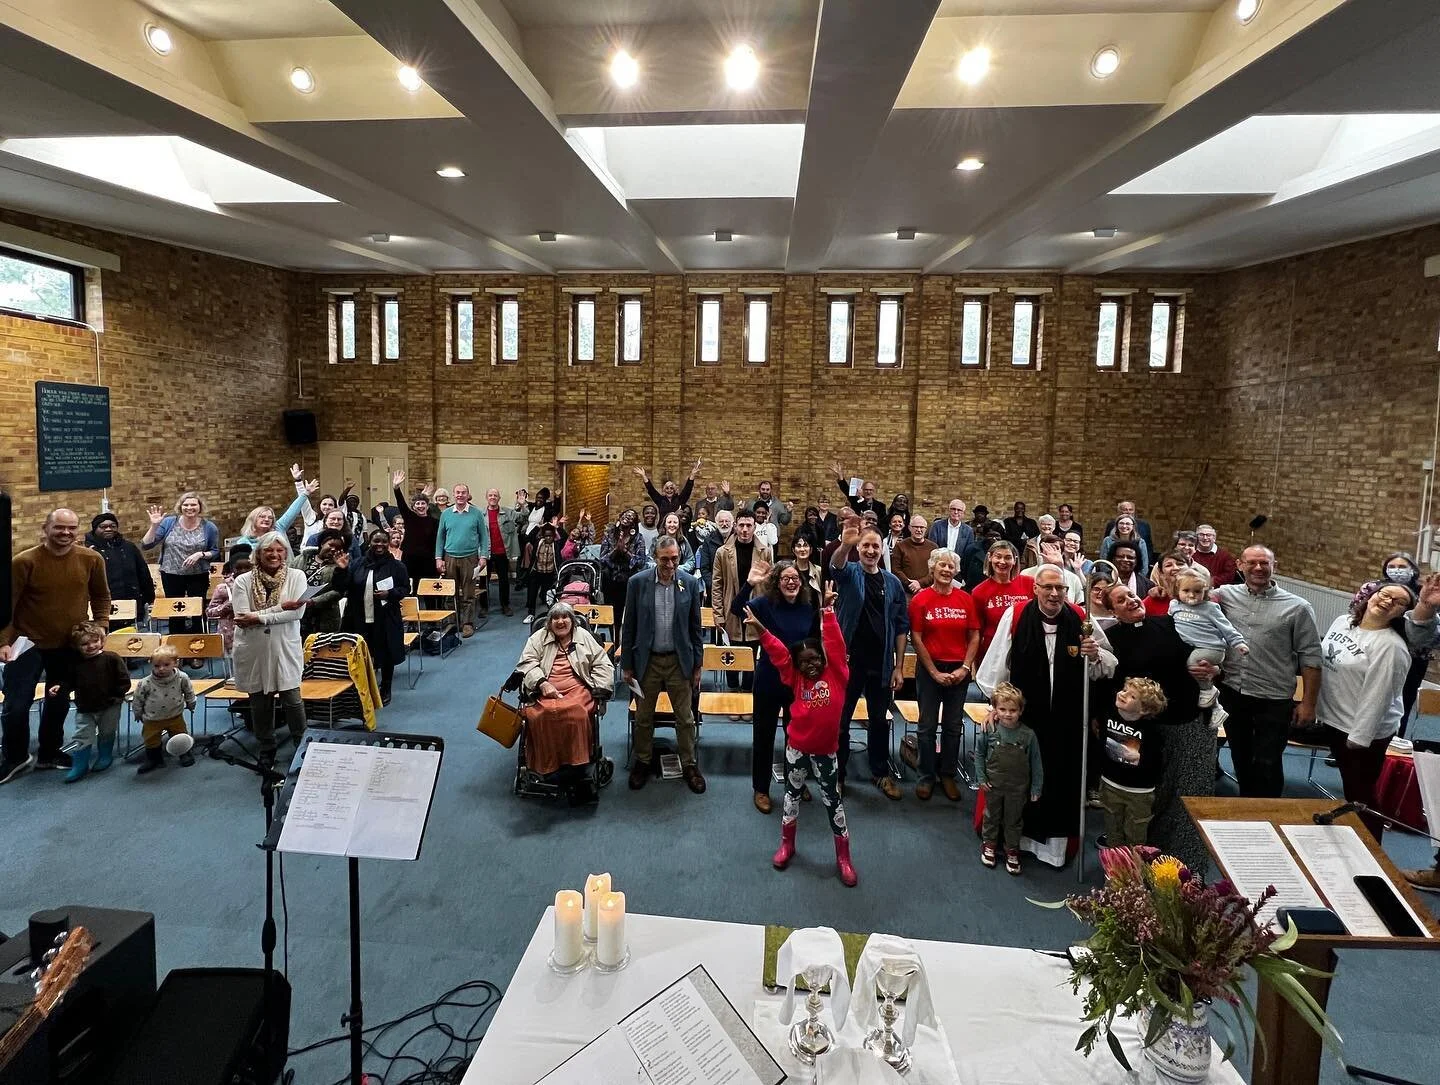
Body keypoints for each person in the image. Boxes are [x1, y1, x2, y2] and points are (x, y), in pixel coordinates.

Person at [977, 566, 1116, 866]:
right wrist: (995, 705)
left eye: (1060, 589)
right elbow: (998, 664)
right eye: (1048, 587)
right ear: (1035, 588)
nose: (1054, 594)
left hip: (1066, 721)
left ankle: (1053, 851)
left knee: (1058, 781)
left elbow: (1108, 663)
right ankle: (1015, 842)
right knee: (1020, 780)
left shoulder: (1080, 618)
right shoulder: (1015, 616)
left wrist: (1095, 653)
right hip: (1026, 719)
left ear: (1067, 592)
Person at [1102, 583, 1212, 875]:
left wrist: (1211, 669)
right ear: (1112, 611)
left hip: (1183, 720)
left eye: (1131, 594)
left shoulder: (1170, 624)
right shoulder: (1110, 639)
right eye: (1121, 600)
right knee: (1141, 797)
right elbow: (1106, 683)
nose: (1131, 600)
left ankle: (1182, 865)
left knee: (1184, 792)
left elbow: (1205, 652)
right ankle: (1135, 864)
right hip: (1136, 729)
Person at [752, 596, 858, 886]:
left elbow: (836, 646)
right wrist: (762, 631)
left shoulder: (837, 674)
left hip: (826, 754)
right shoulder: (795, 678)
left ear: (824, 660)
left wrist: (828, 613)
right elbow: (779, 654)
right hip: (796, 751)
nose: (811, 665)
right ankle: (787, 844)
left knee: (833, 802)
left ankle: (843, 856)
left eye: (815, 659)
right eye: (804, 662)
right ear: (797, 667)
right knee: (791, 798)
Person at [0, 509, 110, 783]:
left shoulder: (91, 559)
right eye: (59, 528)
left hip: (68, 645)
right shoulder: (23, 562)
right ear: (45, 528)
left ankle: (49, 753)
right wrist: (3, 641)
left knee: (57, 701)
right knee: (16, 704)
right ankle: (16, 757)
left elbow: (101, 596)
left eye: (71, 528)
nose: (66, 533)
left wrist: (101, 625)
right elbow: (6, 606)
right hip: (27, 644)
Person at [1213, 546, 1322, 798]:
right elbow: (1191, 592)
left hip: (1273, 698)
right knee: (1240, 755)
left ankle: (1267, 814)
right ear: (1240, 565)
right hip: (1233, 693)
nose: (1258, 568)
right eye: (1252, 563)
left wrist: (1309, 704)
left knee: (1267, 762)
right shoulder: (1225, 595)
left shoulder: (1298, 607)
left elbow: (1311, 658)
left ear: (1275, 566)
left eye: (1265, 563)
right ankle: (1246, 808)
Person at [1314, 580, 1416, 840]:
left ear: (1403, 613)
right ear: (1372, 594)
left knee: (1361, 795)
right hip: (1334, 719)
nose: (1387, 601)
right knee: (1352, 788)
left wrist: (1359, 738)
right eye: (1385, 594)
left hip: (1361, 732)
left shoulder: (1391, 646)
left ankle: (1371, 848)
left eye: (1398, 601)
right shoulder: (1343, 621)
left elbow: (1379, 697)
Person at [830, 522, 910, 798]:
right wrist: (845, 544)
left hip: (881, 663)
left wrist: (899, 666)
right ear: (859, 548)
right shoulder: (850, 573)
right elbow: (835, 567)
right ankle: (838, 775)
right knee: (842, 720)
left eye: (876, 546)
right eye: (866, 545)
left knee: (879, 719)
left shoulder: (893, 583)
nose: (871, 550)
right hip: (849, 662)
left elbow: (901, 627)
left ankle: (880, 772)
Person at [621, 537, 706, 794]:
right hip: (647, 662)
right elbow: (630, 626)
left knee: (685, 718)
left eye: (675, 558)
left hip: (679, 661)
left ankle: (689, 764)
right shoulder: (637, 583)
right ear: (654, 557)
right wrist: (626, 665)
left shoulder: (689, 583)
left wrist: (698, 665)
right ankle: (643, 761)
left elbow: (695, 628)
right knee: (644, 717)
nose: (670, 564)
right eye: (664, 559)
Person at [736, 559, 820, 811]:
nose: (791, 582)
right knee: (764, 735)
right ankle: (761, 789)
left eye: (795, 578)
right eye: (785, 578)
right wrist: (748, 585)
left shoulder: (809, 606)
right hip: (769, 680)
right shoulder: (764, 604)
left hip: (799, 682)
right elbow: (735, 609)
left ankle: (796, 782)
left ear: (801, 582)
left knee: (797, 737)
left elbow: (816, 642)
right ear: (777, 582)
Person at [515, 602, 614, 797]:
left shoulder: (584, 637)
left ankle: (577, 764)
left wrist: (600, 687)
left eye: (565, 617)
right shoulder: (538, 638)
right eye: (556, 618)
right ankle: (547, 765)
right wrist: (542, 683)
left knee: (576, 713)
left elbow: (603, 663)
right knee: (540, 715)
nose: (561, 621)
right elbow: (526, 664)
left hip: (578, 687)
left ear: (573, 621)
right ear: (550, 623)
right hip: (545, 689)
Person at [232, 532, 311, 761]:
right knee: (259, 702)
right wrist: (279, 608)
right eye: (269, 550)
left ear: (286, 553)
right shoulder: (243, 581)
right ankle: (267, 747)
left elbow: (296, 612)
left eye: (279, 550)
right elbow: (241, 616)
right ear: (258, 553)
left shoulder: (297, 576)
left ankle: (302, 745)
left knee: (293, 700)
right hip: (253, 648)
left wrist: (260, 618)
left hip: (284, 647)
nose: (274, 554)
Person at [908, 548, 979, 801]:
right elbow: (916, 638)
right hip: (930, 670)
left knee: (952, 725)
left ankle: (948, 774)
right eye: (942, 565)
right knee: (927, 726)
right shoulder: (920, 600)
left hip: (959, 671)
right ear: (932, 568)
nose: (947, 570)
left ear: (956, 571)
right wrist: (934, 672)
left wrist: (965, 667)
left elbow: (974, 636)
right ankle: (926, 775)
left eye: (951, 566)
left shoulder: (966, 599)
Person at [975, 682, 1043, 875]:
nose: (1007, 714)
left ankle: (1012, 849)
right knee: (991, 816)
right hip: (993, 785)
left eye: (1012, 710)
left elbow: (1036, 763)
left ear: (1020, 710)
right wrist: (981, 777)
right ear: (995, 709)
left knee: (1014, 820)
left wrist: (1036, 788)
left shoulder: (1028, 735)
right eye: (1002, 709)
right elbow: (979, 755)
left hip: (1018, 788)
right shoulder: (989, 730)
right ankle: (989, 844)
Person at [1094, 677, 1169, 848]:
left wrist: (1137, 759)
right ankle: (1115, 870)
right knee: (1113, 832)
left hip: (1139, 792)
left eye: (1132, 696)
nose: (1123, 694)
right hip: (1110, 784)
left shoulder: (1151, 731)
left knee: (1136, 835)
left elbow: (1154, 763)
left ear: (1144, 709)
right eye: (1124, 689)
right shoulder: (1108, 714)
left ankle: (1134, 871)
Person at [340, 529, 410, 705]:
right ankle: (362, 688)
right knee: (361, 654)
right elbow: (344, 585)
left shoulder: (396, 566)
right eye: (376, 541)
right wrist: (341, 570)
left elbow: (405, 589)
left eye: (383, 542)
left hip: (385, 618)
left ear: (389, 544)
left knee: (386, 654)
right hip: (359, 617)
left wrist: (390, 593)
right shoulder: (357, 564)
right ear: (369, 542)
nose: (380, 545)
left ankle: (385, 687)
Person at [712, 511, 774, 696]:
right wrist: (718, 614)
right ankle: (732, 692)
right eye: (741, 525)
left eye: (749, 525)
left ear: (755, 527)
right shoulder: (722, 552)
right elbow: (716, 585)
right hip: (731, 610)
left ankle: (747, 692)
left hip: (755, 610)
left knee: (751, 652)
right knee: (731, 655)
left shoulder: (766, 552)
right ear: (735, 527)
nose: (745, 529)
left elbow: (770, 586)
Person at [142, 493, 221, 634]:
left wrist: (200, 554)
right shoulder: (169, 522)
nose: (189, 507)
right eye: (186, 504)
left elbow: (215, 551)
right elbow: (146, 545)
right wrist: (154, 526)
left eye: (193, 504)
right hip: (171, 574)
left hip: (197, 575)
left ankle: (198, 644)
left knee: (197, 611)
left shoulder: (209, 527)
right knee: (175, 612)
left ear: (200, 507)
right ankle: (176, 643)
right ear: (180, 506)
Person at [1170, 565, 1247, 707]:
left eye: (1197, 591)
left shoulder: (1210, 608)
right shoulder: (1175, 605)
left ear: (1205, 592)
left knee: (1192, 664)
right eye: (1186, 591)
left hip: (1210, 647)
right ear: (1177, 590)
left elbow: (1226, 627)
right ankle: (1212, 706)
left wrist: (1238, 643)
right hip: (1191, 647)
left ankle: (1207, 690)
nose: (1192, 595)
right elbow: (1168, 623)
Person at [63, 621, 129, 783]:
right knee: (82, 735)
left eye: (95, 641)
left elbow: (124, 680)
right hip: (85, 706)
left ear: (101, 640)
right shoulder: (75, 663)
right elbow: (69, 681)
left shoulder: (111, 658)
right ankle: (80, 764)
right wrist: (60, 687)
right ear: (77, 646)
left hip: (110, 705)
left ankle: (105, 755)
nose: (91, 646)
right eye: (85, 644)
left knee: (107, 732)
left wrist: (116, 696)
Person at [1380, 552, 1429, 736]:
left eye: (1402, 567)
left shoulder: (1425, 593)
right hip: (1379, 651)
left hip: (1413, 657)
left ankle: (1393, 743)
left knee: (1403, 701)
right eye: (1392, 567)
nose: (1397, 571)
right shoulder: (1375, 589)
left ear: (1413, 570)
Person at [132, 644, 197, 775]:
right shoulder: (145, 682)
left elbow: (189, 691)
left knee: (179, 734)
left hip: (175, 715)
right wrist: (137, 712)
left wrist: (191, 703)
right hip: (152, 718)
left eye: (166, 665)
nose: (161, 669)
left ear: (176, 663)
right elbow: (138, 698)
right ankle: (154, 758)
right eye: (156, 666)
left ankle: (184, 753)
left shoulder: (181, 677)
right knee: (151, 739)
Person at [435, 483, 488, 637]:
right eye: (457, 493)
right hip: (449, 557)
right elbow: (440, 537)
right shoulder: (446, 514)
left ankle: (467, 624)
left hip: (470, 558)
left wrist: (483, 556)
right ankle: (452, 623)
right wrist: (439, 558)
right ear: (454, 495)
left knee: (468, 594)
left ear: (467, 495)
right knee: (450, 592)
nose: (460, 495)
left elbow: (484, 537)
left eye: (463, 493)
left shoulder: (476, 513)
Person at [86, 513, 155, 626]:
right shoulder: (88, 550)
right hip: (102, 605)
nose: (108, 529)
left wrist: (148, 596)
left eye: (112, 526)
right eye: (103, 527)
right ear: (95, 529)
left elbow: (143, 572)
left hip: (130, 601)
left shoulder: (129, 547)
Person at [971, 541, 1035, 659]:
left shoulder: (1030, 583)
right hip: (993, 652)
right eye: (998, 557)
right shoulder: (979, 592)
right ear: (990, 557)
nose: (1002, 562)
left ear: (1015, 560)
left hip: (1027, 649)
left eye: (1008, 557)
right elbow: (977, 632)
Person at [235, 478, 318, 552]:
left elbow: (292, 511)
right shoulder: (243, 542)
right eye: (262, 516)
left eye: (270, 517)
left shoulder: (278, 528)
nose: (267, 519)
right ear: (253, 519)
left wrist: (305, 493)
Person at [295, 530, 350, 637]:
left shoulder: (340, 566)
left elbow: (340, 591)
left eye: (338, 547)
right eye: (331, 545)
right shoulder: (303, 558)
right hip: (298, 612)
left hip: (325, 617)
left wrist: (313, 602)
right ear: (322, 544)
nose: (333, 549)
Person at [600, 512, 647, 629]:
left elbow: (641, 562)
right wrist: (616, 550)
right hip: (611, 580)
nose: (627, 517)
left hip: (630, 581)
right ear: (620, 518)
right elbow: (602, 559)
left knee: (630, 616)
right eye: (625, 515)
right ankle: (614, 641)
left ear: (634, 523)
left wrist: (626, 552)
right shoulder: (609, 535)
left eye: (631, 517)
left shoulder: (638, 538)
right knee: (612, 617)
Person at [207, 545, 252, 655]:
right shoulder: (222, 588)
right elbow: (210, 613)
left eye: (247, 568)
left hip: (252, 633)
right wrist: (226, 606)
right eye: (239, 568)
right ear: (232, 569)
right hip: (230, 635)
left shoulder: (259, 587)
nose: (243, 571)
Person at [1022, 534, 1086, 602]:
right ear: (1040, 552)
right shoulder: (1026, 574)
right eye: (1048, 548)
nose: (1051, 552)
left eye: (1055, 548)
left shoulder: (1073, 578)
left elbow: (1079, 605)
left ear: (1061, 553)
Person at [523, 522, 562, 624]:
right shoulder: (538, 542)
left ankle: (551, 615)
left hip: (550, 574)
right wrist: (538, 527)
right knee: (532, 593)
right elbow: (528, 537)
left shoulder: (556, 545)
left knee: (550, 596)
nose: (548, 538)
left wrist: (556, 527)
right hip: (537, 572)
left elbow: (564, 537)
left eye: (550, 536)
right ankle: (531, 614)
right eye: (546, 536)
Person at [635, 460, 702, 518]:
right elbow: (651, 489)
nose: (669, 490)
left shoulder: (680, 499)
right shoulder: (660, 500)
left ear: (674, 490)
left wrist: (692, 474)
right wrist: (643, 476)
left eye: (671, 488)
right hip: (663, 528)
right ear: (664, 490)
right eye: (667, 488)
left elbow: (688, 489)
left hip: (676, 527)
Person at [890, 515, 936, 595]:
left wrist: (920, 583)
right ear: (909, 528)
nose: (919, 530)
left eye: (922, 527)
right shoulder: (899, 546)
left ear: (926, 529)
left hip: (927, 592)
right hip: (905, 592)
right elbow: (896, 570)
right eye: (916, 527)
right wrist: (910, 584)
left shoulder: (933, 547)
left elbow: (935, 571)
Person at [928, 499, 978, 567]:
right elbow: (932, 547)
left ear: (963, 513)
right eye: (953, 509)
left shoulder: (968, 531)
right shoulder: (937, 526)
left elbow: (968, 553)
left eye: (959, 510)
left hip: (958, 568)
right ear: (949, 511)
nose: (956, 512)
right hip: (938, 566)